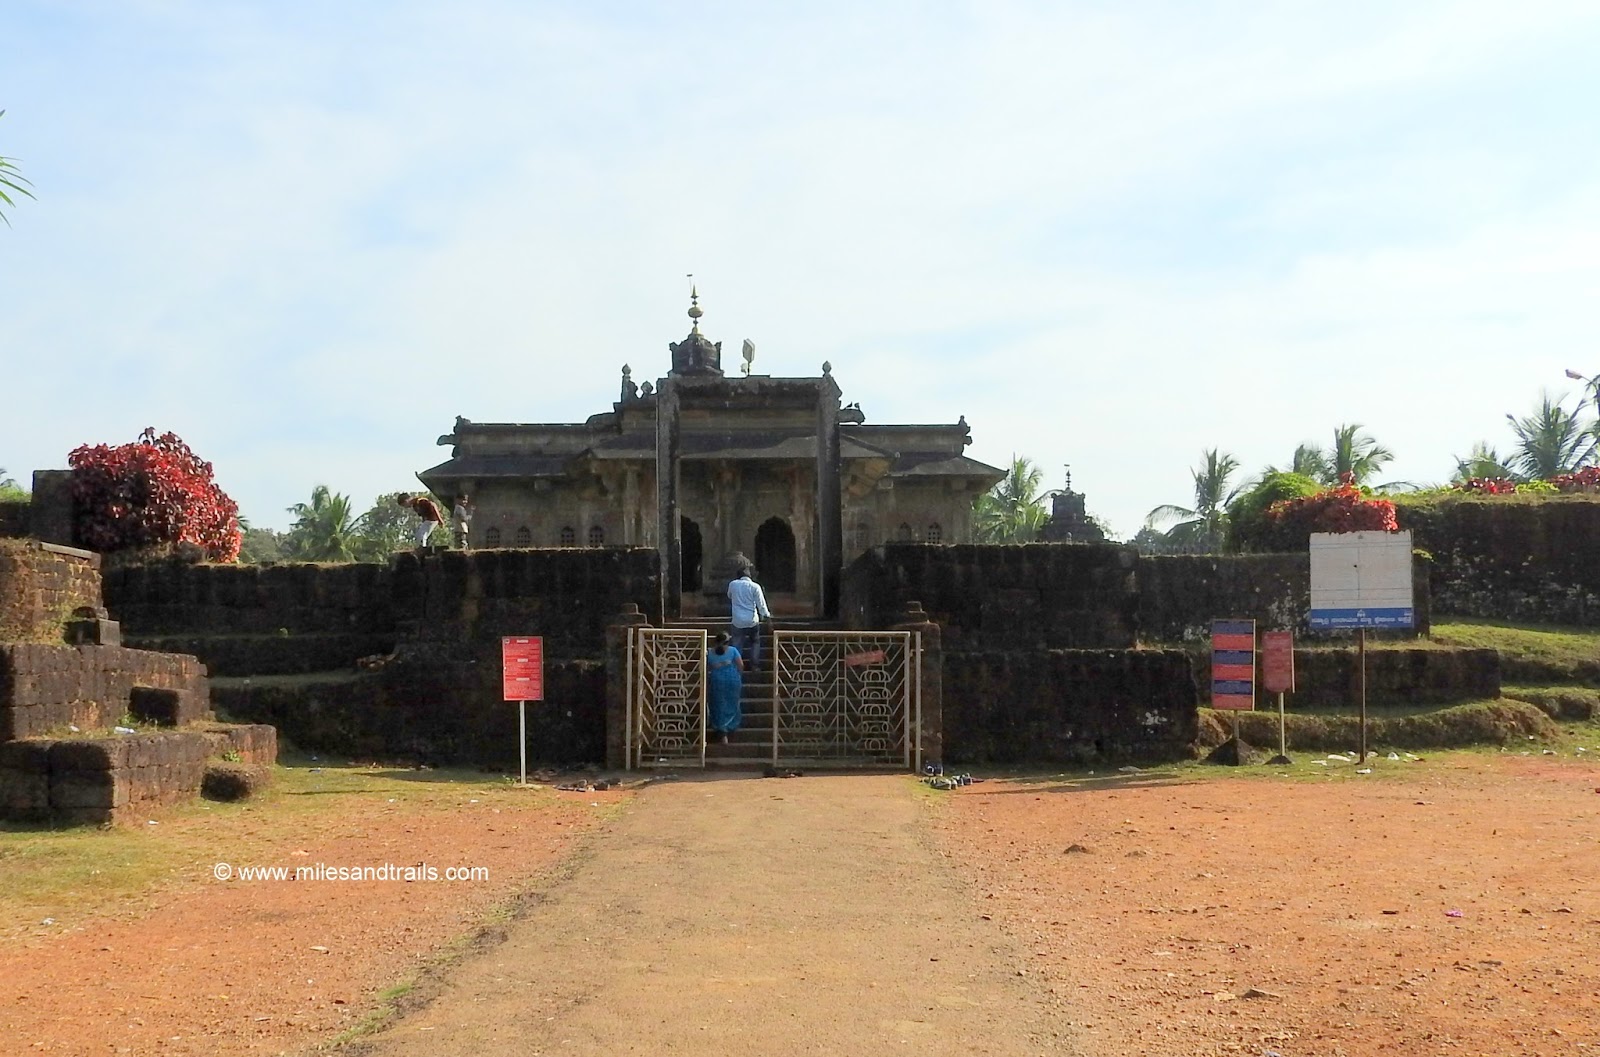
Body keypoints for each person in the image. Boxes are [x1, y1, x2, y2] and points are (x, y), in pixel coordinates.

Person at [727, 565, 771, 670]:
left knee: (737, 643)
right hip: (752, 620)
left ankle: (737, 665)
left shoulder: (733, 585)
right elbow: (761, 605)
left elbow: (729, 595)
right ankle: (754, 665)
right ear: (749, 576)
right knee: (755, 642)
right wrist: (767, 618)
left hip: (737, 620)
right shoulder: (755, 586)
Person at [706, 631, 743, 744]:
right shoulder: (733, 651)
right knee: (731, 703)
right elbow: (740, 665)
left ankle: (721, 730)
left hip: (717, 681)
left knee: (718, 705)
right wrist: (737, 676)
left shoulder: (709, 652)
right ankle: (730, 726)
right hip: (732, 680)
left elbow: (704, 668)